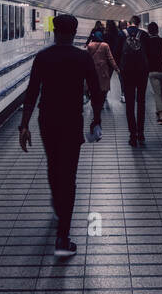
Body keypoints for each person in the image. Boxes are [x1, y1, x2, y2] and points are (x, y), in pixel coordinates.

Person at [19, 13, 101, 257]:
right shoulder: (82, 57)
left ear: (55, 32)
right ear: (75, 33)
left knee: (53, 166)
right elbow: (96, 91)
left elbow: (32, 92)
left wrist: (24, 126)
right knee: (69, 174)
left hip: (47, 120)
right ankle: (63, 237)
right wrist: (96, 119)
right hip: (71, 120)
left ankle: (57, 201)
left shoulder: (43, 57)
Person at [119, 15, 150, 147]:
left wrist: (119, 68)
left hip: (127, 72)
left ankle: (132, 135)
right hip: (142, 72)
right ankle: (141, 133)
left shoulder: (121, 34)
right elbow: (149, 53)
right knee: (141, 102)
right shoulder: (144, 34)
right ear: (139, 23)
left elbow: (115, 52)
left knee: (130, 103)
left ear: (129, 23)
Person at [85, 29, 118, 139]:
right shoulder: (105, 45)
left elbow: (86, 59)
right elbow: (110, 58)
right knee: (102, 94)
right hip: (103, 73)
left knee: (94, 95)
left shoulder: (90, 45)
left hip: (92, 73)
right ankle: (97, 116)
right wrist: (116, 68)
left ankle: (96, 115)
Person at [144, 22, 162, 125]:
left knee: (157, 93)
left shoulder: (146, 42)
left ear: (148, 31)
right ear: (158, 30)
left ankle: (161, 116)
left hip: (152, 71)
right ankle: (159, 110)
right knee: (161, 91)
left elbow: (144, 56)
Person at [105, 19, 125, 103]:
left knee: (106, 77)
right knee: (122, 78)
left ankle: (104, 94)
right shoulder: (119, 34)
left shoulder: (105, 35)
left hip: (109, 58)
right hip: (119, 58)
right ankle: (123, 95)